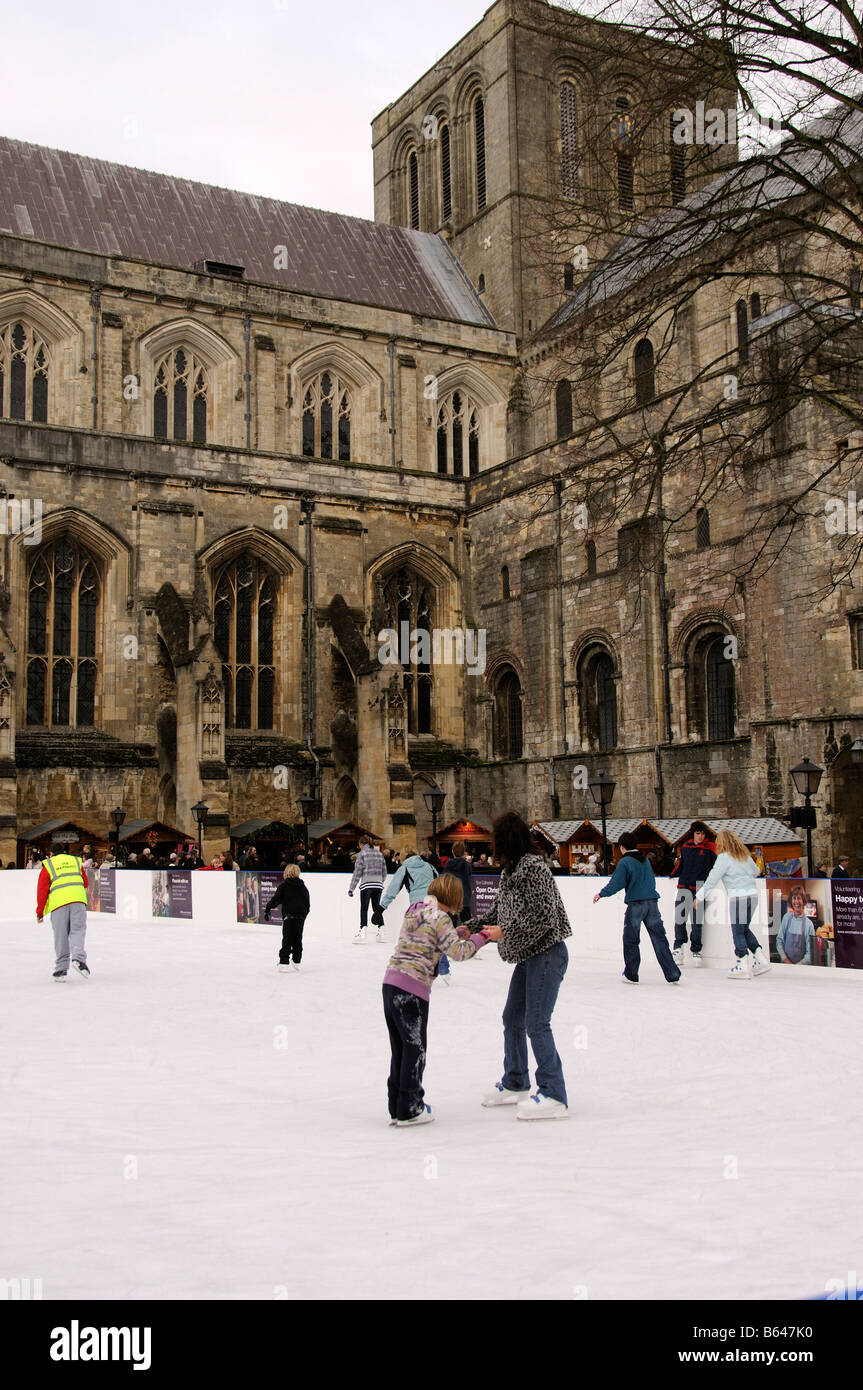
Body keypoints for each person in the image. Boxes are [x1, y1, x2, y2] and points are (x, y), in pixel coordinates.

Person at [464, 810, 572, 1120]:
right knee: (513, 1017)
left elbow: (544, 916)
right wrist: (468, 928)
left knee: (536, 1022)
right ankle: (515, 1081)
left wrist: (504, 933)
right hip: (529, 955)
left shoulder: (534, 868)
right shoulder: (511, 871)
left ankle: (554, 1093)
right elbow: (497, 912)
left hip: (548, 952)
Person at [383, 873, 497, 1125]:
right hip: (412, 991)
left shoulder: (415, 911)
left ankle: (397, 1106)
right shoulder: (441, 917)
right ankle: (411, 1108)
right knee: (415, 1050)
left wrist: (454, 932)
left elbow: (430, 937)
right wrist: (484, 937)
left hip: (391, 984)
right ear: (454, 898)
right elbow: (458, 952)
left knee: (400, 1049)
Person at [593, 831, 681, 986]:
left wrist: (602, 894)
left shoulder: (625, 862)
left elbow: (617, 883)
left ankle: (631, 974)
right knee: (659, 938)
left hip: (636, 904)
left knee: (631, 939)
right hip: (652, 902)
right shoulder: (645, 860)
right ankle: (672, 972)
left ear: (621, 847)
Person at [694, 830, 771, 979]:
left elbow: (712, 879)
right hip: (752, 896)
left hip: (738, 898)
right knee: (744, 929)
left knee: (738, 931)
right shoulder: (744, 856)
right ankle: (760, 958)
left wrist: (699, 897)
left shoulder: (723, 858)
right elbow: (756, 871)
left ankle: (742, 964)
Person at [35, 839, 90, 981]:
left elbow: (42, 890)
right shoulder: (75, 861)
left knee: (61, 935)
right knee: (78, 930)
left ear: (51, 853)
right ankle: (79, 959)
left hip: (59, 903)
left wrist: (40, 912)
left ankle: (61, 969)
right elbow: (85, 881)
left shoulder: (49, 865)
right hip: (78, 900)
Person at [671, 820, 717, 968]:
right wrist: (673, 873)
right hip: (684, 885)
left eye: (703, 833)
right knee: (680, 918)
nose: (701, 836)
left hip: (699, 887)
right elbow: (682, 865)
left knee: (697, 921)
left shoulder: (710, 848)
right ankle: (678, 947)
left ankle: (696, 950)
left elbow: (716, 867)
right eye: (698, 833)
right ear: (693, 834)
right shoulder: (686, 847)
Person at [439, 839, 475, 982]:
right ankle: (471, 944)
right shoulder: (466, 865)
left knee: (451, 923)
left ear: (453, 852)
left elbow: (445, 879)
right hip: (464, 897)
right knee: (467, 921)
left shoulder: (448, 864)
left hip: (452, 897)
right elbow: (469, 878)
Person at [264, 864, 311, 972]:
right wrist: (303, 915)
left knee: (287, 938)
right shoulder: (303, 887)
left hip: (288, 916)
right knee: (297, 938)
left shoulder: (284, 886)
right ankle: (297, 960)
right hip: (300, 916)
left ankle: (284, 962)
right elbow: (307, 904)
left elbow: (276, 900)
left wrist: (268, 909)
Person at [348, 835, 387, 942]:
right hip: (378, 885)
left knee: (364, 908)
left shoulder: (361, 854)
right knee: (376, 909)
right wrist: (379, 880)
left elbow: (357, 873)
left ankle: (363, 932)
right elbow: (384, 872)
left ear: (361, 844)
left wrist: (351, 888)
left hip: (366, 885)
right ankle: (381, 931)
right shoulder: (380, 854)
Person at [379, 847, 436, 918]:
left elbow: (393, 889)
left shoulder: (404, 869)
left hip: (417, 905)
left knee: (419, 927)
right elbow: (440, 884)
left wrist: (381, 908)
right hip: (432, 903)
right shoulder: (429, 866)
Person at [775, 884, 817, 965]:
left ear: (803, 901)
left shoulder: (809, 925)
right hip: (785, 965)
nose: (796, 902)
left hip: (802, 969)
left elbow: (810, 952)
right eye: (794, 898)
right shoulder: (786, 918)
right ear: (791, 901)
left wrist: (797, 966)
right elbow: (779, 941)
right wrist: (785, 960)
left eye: (799, 898)